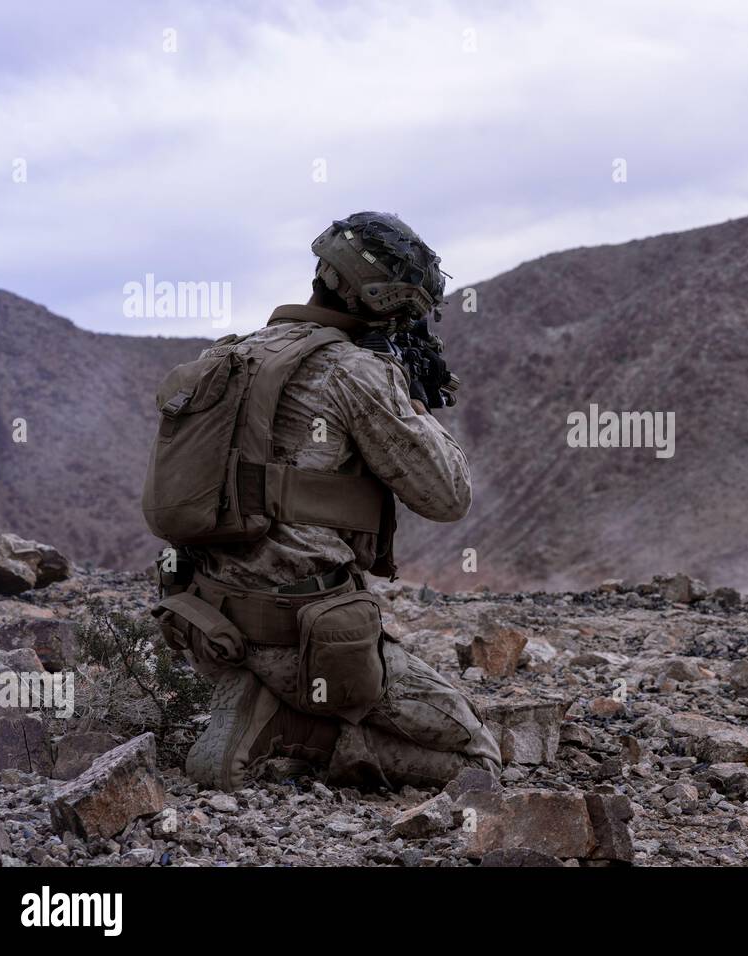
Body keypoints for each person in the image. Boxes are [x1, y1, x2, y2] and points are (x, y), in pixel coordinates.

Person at [143, 212, 501, 792]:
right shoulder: (358, 373)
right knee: (477, 757)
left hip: (206, 622)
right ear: (384, 300)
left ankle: (259, 696)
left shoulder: (237, 353)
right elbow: (447, 496)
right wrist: (409, 396)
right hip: (306, 635)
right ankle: (293, 729)